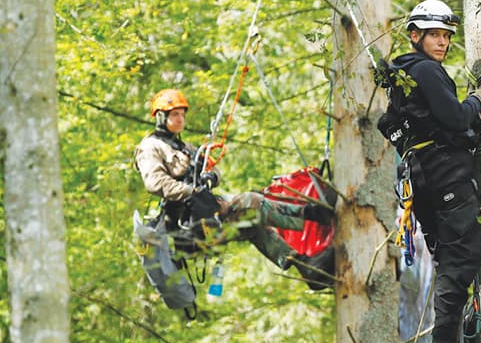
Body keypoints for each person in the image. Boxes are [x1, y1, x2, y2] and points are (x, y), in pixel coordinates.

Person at [377, 0, 481, 343]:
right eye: (434, 35)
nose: (442, 43)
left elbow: (385, 122)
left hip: (420, 178)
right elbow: (457, 117)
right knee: (462, 255)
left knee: (449, 259)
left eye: (446, 36)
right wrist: (478, 101)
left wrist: (412, 139)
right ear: (415, 36)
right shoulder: (425, 70)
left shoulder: (401, 76)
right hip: (442, 174)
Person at [134, 89, 334, 290]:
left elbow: (213, 169)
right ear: (161, 117)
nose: (180, 119)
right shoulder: (150, 147)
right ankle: (312, 213)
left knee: (253, 222)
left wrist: (210, 178)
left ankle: (306, 268)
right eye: (175, 114)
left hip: (207, 215)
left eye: (182, 114)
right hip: (188, 227)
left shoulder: (186, 147)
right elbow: (155, 182)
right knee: (249, 201)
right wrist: (191, 191)